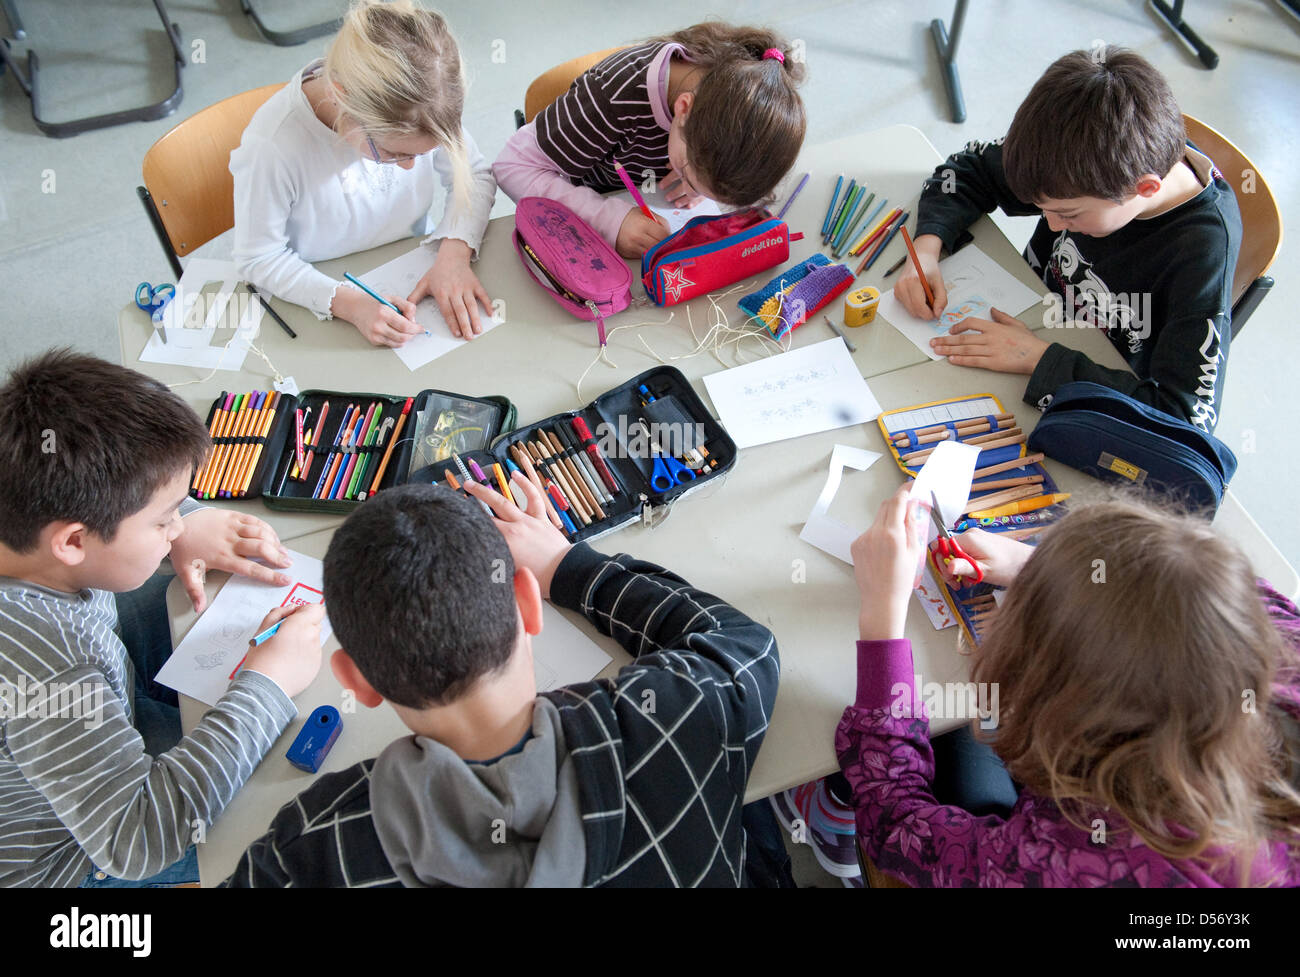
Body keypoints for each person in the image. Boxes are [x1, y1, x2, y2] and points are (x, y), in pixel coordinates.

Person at [225, 474, 780, 887]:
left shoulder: (310, 852)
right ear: (527, 604)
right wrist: (568, 565)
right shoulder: (676, 720)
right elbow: (744, 645)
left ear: (356, 682)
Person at [834, 485, 1300, 887]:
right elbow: (1181, 596)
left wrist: (882, 619)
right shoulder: (1269, 633)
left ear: (1059, 705)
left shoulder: (1080, 861)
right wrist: (1039, 570)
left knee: (959, 746)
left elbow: (896, 826)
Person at [0, 351, 323, 887]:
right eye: (163, 519)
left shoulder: (32, 533)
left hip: (100, 703)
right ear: (74, 541)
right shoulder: (49, 663)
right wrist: (268, 684)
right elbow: (139, 838)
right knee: (290, 820)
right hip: (73, 857)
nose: (177, 526)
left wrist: (187, 522)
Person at [894, 46, 1241, 432]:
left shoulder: (1202, 252)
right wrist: (926, 249)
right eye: (1042, 209)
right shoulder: (1077, 156)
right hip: (1028, 318)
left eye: (1069, 214)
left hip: (1090, 377)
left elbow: (1182, 419)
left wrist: (1039, 358)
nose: (1053, 227)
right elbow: (969, 169)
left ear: (1144, 189)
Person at [231, 0, 497, 347]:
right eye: (394, 154)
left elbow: (473, 174)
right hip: (315, 290)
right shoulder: (272, 147)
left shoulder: (429, 103)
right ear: (343, 100)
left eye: (424, 154)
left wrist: (454, 255)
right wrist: (350, 304)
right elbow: (258, 257)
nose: (408, 168)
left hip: (410, 263)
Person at [493, 22, 806, 258]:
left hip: (643, 193)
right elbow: (511, 166)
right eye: (686, 172)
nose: (692, 186)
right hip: (590, 202)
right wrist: (609, 220)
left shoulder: (747, 87)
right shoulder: (613, 97)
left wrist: (699, 177)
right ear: (683, 108)